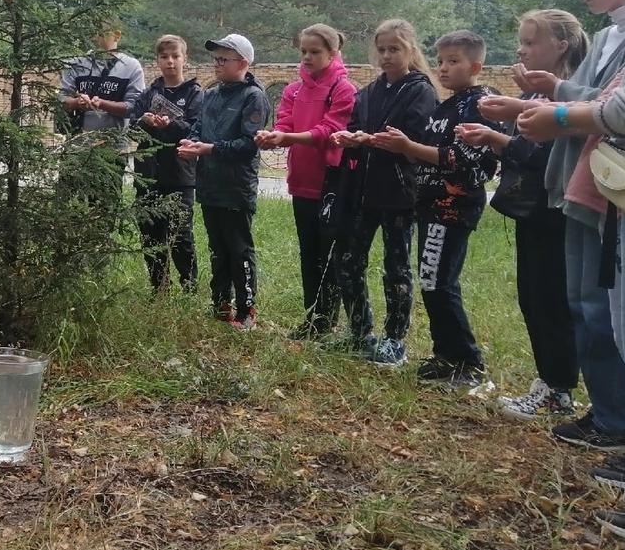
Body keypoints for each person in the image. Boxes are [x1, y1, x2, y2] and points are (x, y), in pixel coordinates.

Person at [516, 0, 625, 543]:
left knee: (621, 318)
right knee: (601, 311)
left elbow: (622, 110)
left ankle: (622, 420)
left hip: (615, 185)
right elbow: (607, 100)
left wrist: (559, 107)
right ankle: (619, 418)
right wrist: (561, 102)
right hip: (596, 183)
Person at [466, 10, 587, 417]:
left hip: (556, 213)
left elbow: (548, 160)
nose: (521, 49)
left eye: (531, 42)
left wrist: (501, 135)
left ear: (561, 47)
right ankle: (549, 381)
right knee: (532, 297)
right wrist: (497, 136)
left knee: (551, 298)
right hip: (532, 212)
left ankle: (560, 389)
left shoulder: (571, 101)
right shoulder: (536, 99)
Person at [369, 30, 501, 379]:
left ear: (476, 65)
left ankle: (466, 361)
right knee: (431, 279)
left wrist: (407, 147)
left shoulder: (480, 103)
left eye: (453, 61)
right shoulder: (448, 104)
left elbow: (464, 159)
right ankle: (446, 355)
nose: (443, 69)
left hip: (452, 207)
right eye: (440, 61)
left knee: (440, 281)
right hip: (429, 205)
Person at [330, 19, 438, 359]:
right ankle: (360, 330)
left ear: (410, 50)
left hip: (399, 192)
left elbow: (415, 138)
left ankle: (395, 339)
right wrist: (349, 138)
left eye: (395, 49)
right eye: (382, 50)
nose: (387, 56)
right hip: (363, 190)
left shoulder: (421, 90)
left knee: (396, 267)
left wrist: (370, 139)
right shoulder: (370, 91)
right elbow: (355, 127)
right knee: (348, 262)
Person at [256, 24, 356, 337]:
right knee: (308, 252)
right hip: (300, 180)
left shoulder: (343, 89)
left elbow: (328, 131)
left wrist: (287, 137)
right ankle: (312, 317)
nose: (308, 57)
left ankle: (327, 320)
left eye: (315, 52)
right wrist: (274, 135)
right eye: (304, 52)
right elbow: (284, 120)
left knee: (328, 254)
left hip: (331, 183)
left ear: (333, 53)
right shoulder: (293, 89)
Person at [178, 33, 270, 327]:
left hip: (236, 186)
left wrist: (211, 149)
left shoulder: (254, 96)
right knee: (217, 248)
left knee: (239, 248)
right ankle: (220, 307)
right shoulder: (211, 94)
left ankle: (247, 311)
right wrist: (190, 143)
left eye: (222, 59)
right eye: (215, 58)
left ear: (242, 62)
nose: (216, 64)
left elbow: (248, 144)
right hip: (209, 184)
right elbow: (198, 128)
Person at [128, 34, 203, 291]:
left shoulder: (195, 94)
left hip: (180, 175)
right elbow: (131, 128)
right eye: (164, 57)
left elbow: (196, 130)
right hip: (147, 174)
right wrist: (145, 122)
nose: (170, 62)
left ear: (185, 59)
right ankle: (158, 287)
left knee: (181, 235)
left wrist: (171, 125)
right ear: (157, 60)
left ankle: (189, 287)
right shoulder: (148, 94)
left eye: (175, 56)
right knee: (150, 234)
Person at [58, 20, 147, 207]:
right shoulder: (77, 64)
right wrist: (77, 103)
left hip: (112, 150)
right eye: (94, 31)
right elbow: (61, 100)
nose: (96, 36)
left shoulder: (131, 66)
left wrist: (103, 104)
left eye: (102, 32)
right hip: (76, 148)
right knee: (68, 208)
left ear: (117, 34)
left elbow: (135, 107)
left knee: (104, 208)